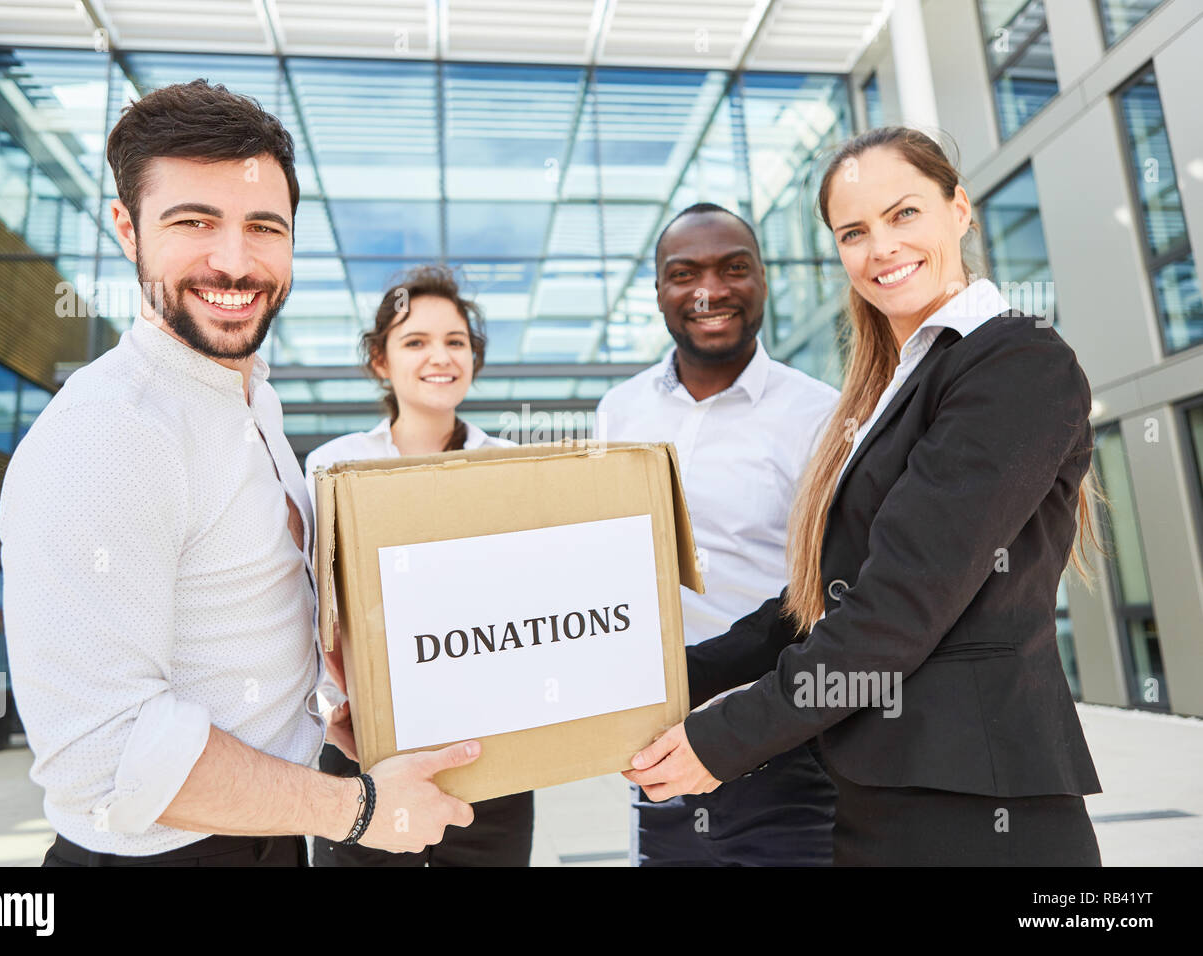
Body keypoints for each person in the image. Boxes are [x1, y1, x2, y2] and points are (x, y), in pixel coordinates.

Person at [0, 80, 478, 867]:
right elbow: (102, 753)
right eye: (193, 222)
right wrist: (356, 810)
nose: (234, 260)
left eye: (263, 226)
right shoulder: (108, 432)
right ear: (127, 228)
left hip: (263, 824)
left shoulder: (252, 397)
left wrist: (329, 712)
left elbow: (235, 621)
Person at [625, 126, 1104, 866]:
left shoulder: (1014, 360)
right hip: (885, 797)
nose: (882, 247)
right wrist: (657, 684)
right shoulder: (894, 385)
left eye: (904, 214)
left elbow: (896, 610)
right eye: (855, 231)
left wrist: (721, 741)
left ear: (960, 208)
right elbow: (820, 602)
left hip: (974, 809)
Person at [595, 202, 839, 866]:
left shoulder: (820, 415)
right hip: (659, 741)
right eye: (684, 272)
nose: (710, 290)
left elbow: (829, 589)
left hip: (784, 739)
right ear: (658, 291)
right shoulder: (619, 412)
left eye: (734, 268)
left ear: (762, 279)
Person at [305, 264, 534, 867]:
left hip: (491, 756)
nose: (441, 357)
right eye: (416, 342)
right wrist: (332, 715)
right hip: (366, 758)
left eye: (455, 342)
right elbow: (309, 609)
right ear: (381, 361)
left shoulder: (512, 468)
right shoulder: (335, 466)